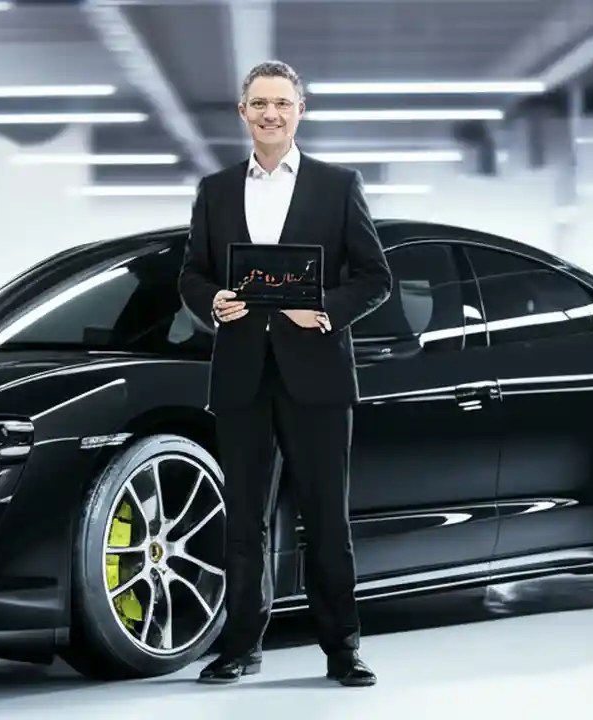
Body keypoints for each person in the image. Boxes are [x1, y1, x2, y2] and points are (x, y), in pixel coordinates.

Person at [177, 60, 392, 686]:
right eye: (259, 103)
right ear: (242, 112)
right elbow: (192, 272)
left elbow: (375, 278)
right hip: (242, 374)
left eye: (282, 103)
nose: (271, 114)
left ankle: (342, 648)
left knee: (327, 517)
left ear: (300, 112)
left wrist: (325, 309)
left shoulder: (336, 185)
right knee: (243, 519)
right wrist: (210, 302)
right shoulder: (215, 190)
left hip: (317, 375)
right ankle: (240, 646)